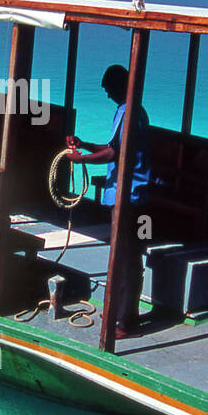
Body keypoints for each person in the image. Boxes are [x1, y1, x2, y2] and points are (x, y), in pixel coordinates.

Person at [66, 64, 151, 338]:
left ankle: (127, 321)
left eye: (109, 88)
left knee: (126, 258)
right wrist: (85, 144)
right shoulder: (128, 111)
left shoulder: (130, 112)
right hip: (132, 196)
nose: (107, 94)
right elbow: (111, 147)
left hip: (130, 197)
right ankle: (120, 309)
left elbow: (114, 154)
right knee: (127, 255)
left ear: (120, 85)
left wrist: (81, 160)